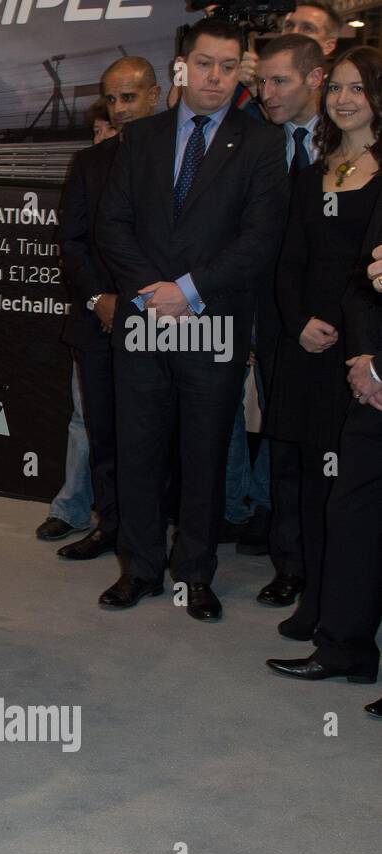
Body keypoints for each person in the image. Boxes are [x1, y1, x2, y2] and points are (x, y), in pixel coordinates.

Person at [96, 18, 289, 622]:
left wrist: (188, 291)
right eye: (205, 64)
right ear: (182, 66)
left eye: (229, 67)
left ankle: (195, 574)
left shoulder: (260, 144)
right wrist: (154, 295)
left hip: (214, 319)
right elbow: (113, 225)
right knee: (140, 450)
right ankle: (141, 569)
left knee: (205, 454)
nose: (215, 77)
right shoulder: (142, 137)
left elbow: (260, 239)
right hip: (145, 318)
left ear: (241, 73)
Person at [268, 46, 382, 688]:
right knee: (315, 486)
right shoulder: (311, 174)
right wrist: (297, 324)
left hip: (363, 355)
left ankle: (350, 620)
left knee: (355, 497)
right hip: (311, 350)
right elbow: (286, 263)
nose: (343, 99)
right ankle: (318, 604)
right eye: (335, 87)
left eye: (357, 89)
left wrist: (351, 339)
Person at [40, 60, 160, 557]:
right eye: (113, 100)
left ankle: (153, 533)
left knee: (157, 431)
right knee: (104, 431)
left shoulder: (185, 161)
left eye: (130, 98)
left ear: (155, 95)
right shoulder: (89, 163)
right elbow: (72, 242)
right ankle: (109, 525)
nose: (121, 109)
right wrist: (98, 299)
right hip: (99, 322)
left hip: (165, 321)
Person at [250, 34, 328, 610]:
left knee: (331, 451)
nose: (265, 93)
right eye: (261, 81)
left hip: (337, 322)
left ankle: (335, 564)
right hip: (273, 321)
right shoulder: (257, 143)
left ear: (315, 78)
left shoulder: (353, 141)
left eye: (279, 81)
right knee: (284, 444)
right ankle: (292, 564)